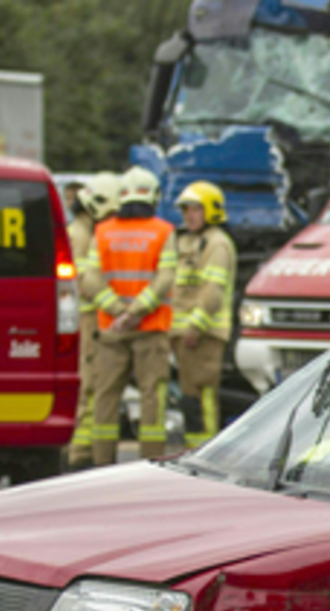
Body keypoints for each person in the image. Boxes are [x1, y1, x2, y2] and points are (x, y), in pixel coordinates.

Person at [81, 167, 177, 465]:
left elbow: (90, 279)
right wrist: (136, 312)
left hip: (111, 330)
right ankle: (152, 463)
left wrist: (117, 312)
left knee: (106, 399)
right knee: (152, 398)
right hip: (150, 329)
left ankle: (101, 465)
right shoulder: (163, 231)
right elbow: (164, 280)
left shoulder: (103, 231)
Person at [169, 181, 236, 448]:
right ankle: (195, 449)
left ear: (211, 210)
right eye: (186, 209)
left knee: (202, 397)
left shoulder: (217, 244)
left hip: (202, 335)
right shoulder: (188, 241)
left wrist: (194, 327)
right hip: (185, 334)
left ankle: (205, 450)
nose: (189, 215)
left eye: (195, 209)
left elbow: (212, 293)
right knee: (190, 398)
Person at [64, 171, 121, 470]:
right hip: (87, 318)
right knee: (88, 386)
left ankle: (80, 452)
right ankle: (79, 456)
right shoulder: (82, 235)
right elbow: (84, 282)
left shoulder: (82, 231)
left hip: (88, 317)